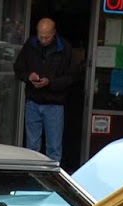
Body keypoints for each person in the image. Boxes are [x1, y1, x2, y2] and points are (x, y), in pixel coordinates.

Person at [13, 17, 80, 163]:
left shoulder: (65, 48)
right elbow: (18, 68)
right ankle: (31, 176)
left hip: (54, 104)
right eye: (41, 36)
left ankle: (53, 180)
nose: (43, 40)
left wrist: (50, 82)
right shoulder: (30, 45)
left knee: (54, 148)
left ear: (54, 33)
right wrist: (28, 76)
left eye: (47, 37)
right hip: (33, 101)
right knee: (32, 148)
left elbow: (72, 77)